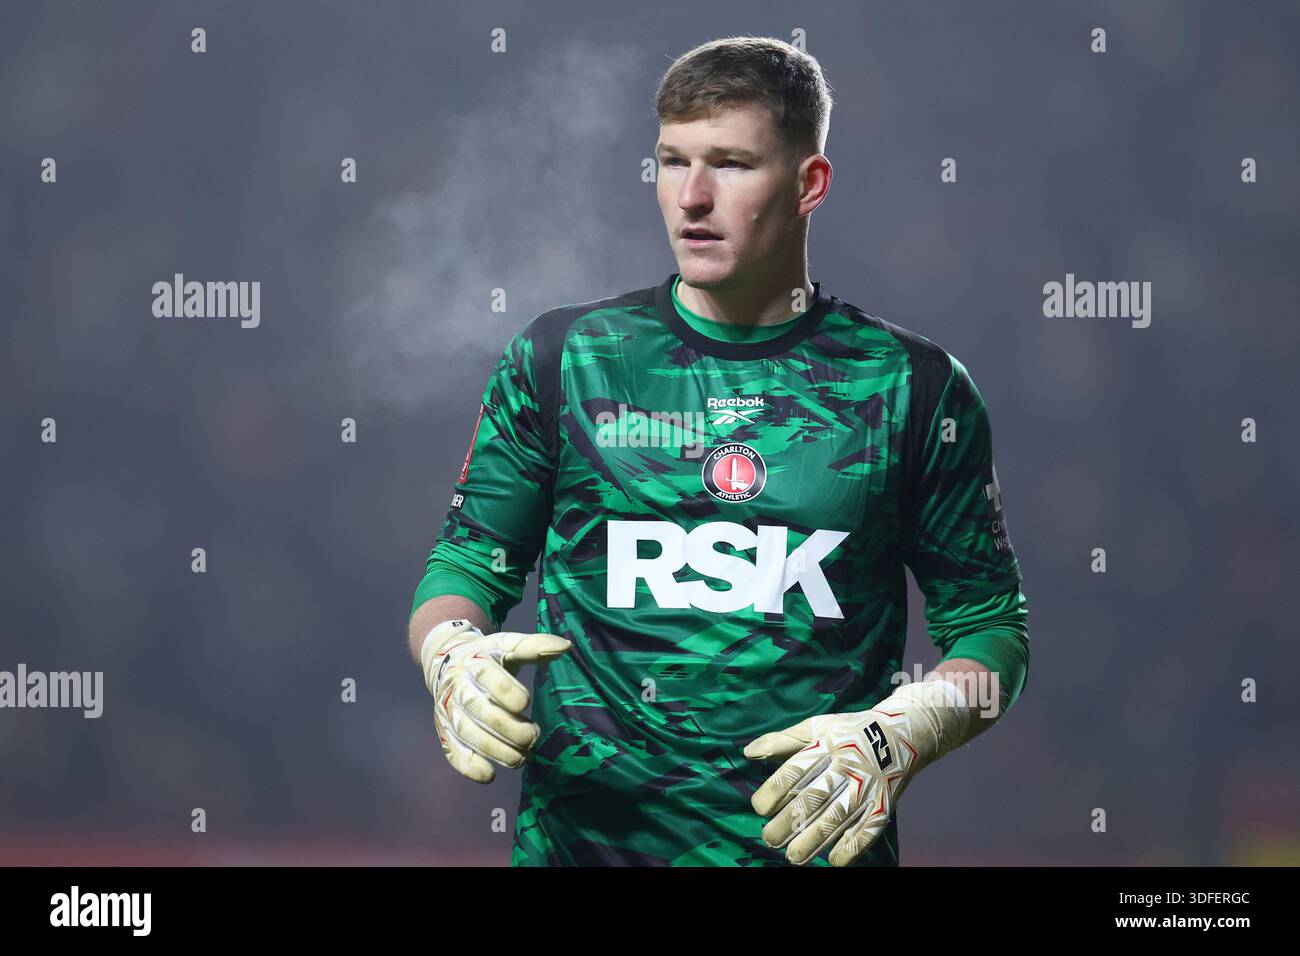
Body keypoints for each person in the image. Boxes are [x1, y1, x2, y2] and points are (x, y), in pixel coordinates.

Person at [407, 35, 1029, 867]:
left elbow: (991, 629)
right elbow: (464, 566)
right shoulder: (565, 359)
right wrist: (449, 654)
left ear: (809, 183)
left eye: (731, 165)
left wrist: (905, 730)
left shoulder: (914, 387)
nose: (692, 197)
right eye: (673, 162)